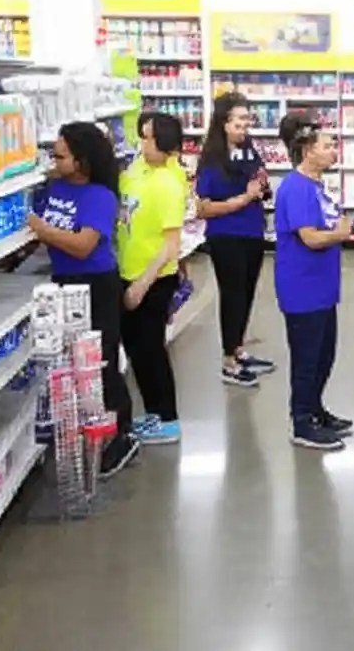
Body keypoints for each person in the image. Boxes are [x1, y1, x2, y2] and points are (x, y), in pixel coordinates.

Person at [28, 122, 139, 477]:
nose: (54, 161)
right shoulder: (55, 187)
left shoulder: (100, 196)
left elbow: (83, 246)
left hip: (97, 284)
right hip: (63, 283)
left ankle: (122, 433)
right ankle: (88, 430)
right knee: (71, 363)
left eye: (60, 156)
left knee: (101, 360)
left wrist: (41, 229)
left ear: (82, 160)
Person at [273, 112, 354, 450]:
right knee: (307, 359)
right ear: (308, 151)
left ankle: (315, 409)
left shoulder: (317, 186)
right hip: (302, 288)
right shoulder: (296, 188)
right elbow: (310, 237)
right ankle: (302, 422)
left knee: (323, 355)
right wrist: (341, 234)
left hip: (321, 287)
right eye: (327, 146)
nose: (334, 151)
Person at [195, 93, 276, 387]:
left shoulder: (249, 150)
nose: (245, 125)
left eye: (246, 119)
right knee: (232, 296)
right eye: (239, 120)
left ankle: (238, 349)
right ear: (223, 122)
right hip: (226, 236)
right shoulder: (211, 161)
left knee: (247, 293)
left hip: (252, 232)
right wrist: (245, 198)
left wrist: (262, 188)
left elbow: (259, 182)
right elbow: (204, 208)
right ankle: (229, 362)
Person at [117, 112, 186, 445]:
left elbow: (171, 245)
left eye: (148, 138)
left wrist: (141, 285)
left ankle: (167, 419)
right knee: (138, 350)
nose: (141, 143)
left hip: (152, 280)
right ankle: (154, 414)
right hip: (128, 272)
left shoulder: (169, 183)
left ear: (165, 143)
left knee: (151, 351)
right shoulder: (138, 169)